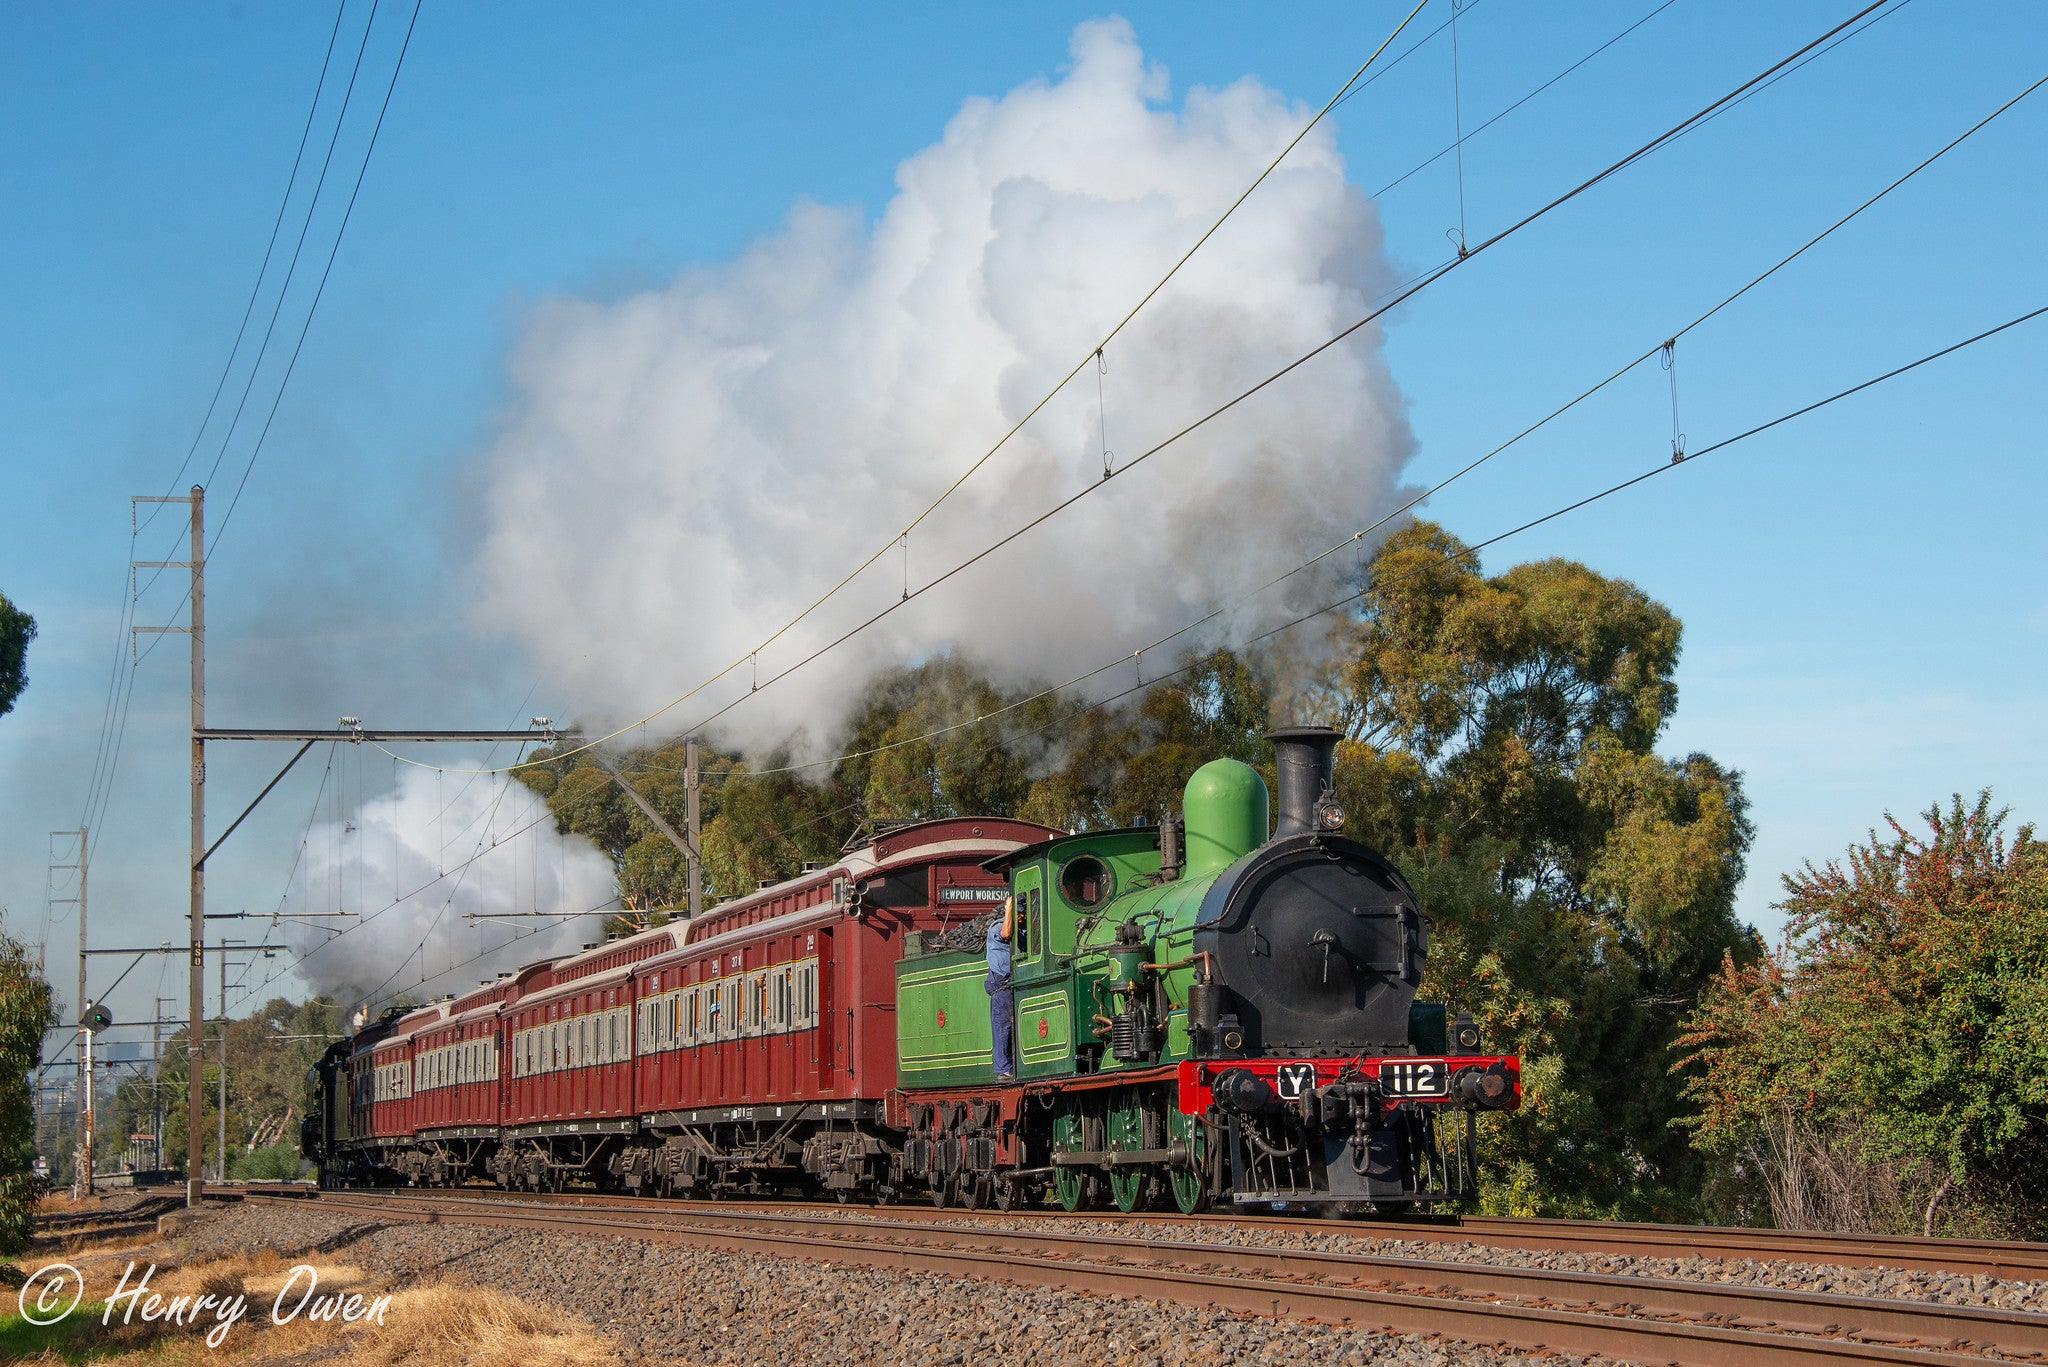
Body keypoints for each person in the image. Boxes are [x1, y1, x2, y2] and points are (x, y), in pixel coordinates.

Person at [985, 894, 1016, 1080]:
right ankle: (1003, 1068)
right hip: (1001, 983)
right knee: (1002, 1026)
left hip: (1010, 982)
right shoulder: (998, 926)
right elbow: (1006, 933)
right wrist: (1009, 908)